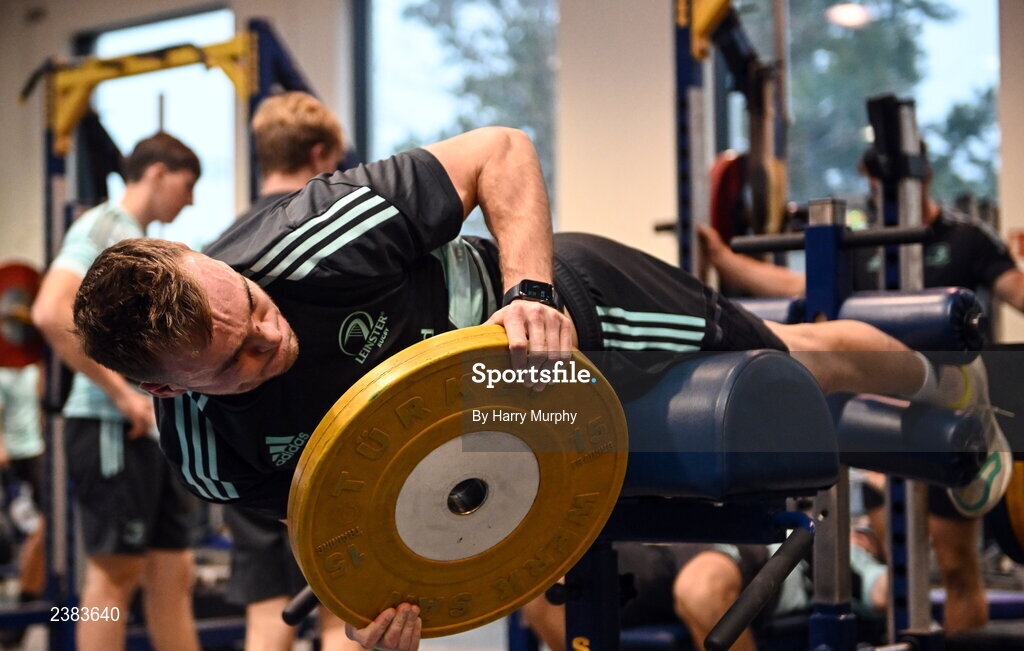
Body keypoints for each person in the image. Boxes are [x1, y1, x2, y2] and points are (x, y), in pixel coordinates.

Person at [69, 127, 1007, 650]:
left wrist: (530, 293)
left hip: (570, 321)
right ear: (164, 389)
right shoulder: (208, 455)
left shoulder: (312, 237)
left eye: (249, 309)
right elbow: (337, 519)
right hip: (481, 433)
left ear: (206, 259)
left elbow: (502, 151)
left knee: (800, 360)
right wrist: (370, 618)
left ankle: (951, 387)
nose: (266, 339)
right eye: (230, 363)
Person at [699, 143, 1018, 632]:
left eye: (885, 179)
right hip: (885, 416)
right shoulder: (865, 247)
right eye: (871, 181)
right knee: (893, 571)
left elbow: (1015, 289)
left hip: (950, 414)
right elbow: (796, 287)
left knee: (956, 567)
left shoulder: (966, 239)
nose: (878, 190)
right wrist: (721, 257)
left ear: (923, 175)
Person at [31, 133, 202, 651]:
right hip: (110, 426)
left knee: (175, 572)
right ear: (157, 173)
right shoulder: (103, 226)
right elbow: (49, 311)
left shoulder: (137, 239)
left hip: (148, 431)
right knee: (113, 580)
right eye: (187, 185)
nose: (191, 200)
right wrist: (120, 394)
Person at [221, 91, 365, 651]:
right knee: (343, 611)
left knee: (267, 614)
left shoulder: (219, 252)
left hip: (250, 455)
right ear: (321, 153)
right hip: (332, 449)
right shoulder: (330, 227)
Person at [522, 534, 888, 651]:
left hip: (744, 552)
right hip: (673, 540)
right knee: (541, 586)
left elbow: (883, 592)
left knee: (700, 592)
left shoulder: (845, 554)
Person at [0, 362, 46, 612]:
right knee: (34, 527)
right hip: (14, 457)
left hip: (38, 453)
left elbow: (41, 409)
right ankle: (25, 599)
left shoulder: (33, 370)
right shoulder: (3, 374)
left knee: (41, 526)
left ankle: (30, 596)